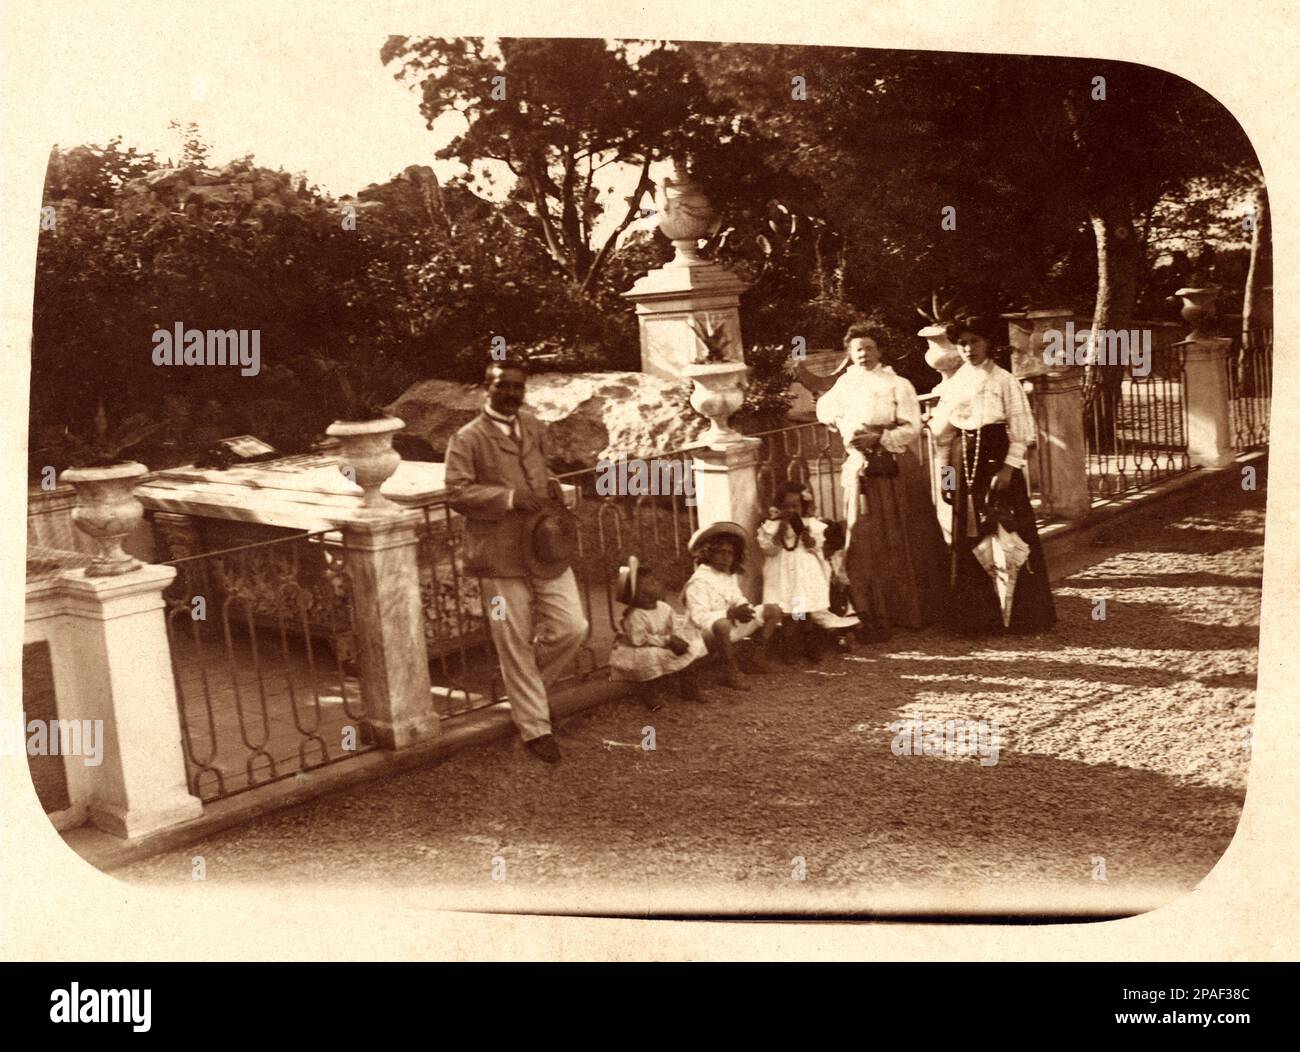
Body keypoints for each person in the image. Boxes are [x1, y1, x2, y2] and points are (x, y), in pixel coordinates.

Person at [443, 359, 589, 763]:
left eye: (517, 387)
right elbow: (455, 493)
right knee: (514, 640)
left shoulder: (535, 427)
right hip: (498, 554)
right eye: (501, 386)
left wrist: (556, 488)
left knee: (572, 627)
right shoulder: (467, 438)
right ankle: (535, 727)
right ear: (485, 389)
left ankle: (528, 696)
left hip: (545, 546)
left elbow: (541, 474)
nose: (510, 393)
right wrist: (506, 499)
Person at [815, 322, 948, 639]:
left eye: (869, 347)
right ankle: (873, 610)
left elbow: (913, 427)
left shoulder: (897, 384)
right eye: (857, 349)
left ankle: (915, 608)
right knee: (865, 536)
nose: (863, 354)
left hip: (894, 466)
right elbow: (824, 409)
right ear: (850, 353)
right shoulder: (845, 384)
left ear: (880, 350)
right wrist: (846, 426)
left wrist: (879, 436)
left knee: (903, 532)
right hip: (862, 466)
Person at [930, 316, 1056, 635]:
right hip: (962, 460)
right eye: (962, 344)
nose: (968, 349)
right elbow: (943, 435)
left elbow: (1022, 431)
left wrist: (1008, 469)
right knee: (969, 534)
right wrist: (947, 480)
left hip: (996, 460)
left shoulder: (1004, 380)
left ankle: (1024, 616)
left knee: (1010, 531)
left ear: (987, 343)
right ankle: (976, 619)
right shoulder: (956, 382)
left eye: (974, 341)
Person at [756, 481, 859, 662]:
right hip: (783, 572)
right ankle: (790, 645)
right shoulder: (771, 526)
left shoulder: (810, 524)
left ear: (802, 506)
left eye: (795, 506)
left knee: (802, 609)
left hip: (803, 572)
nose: (791, 510)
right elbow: (768, 550)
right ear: (778, 507)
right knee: (789, 611)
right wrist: (780, 531)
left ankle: (807, 642)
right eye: (786, 506)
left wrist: (806, 535)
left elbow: (816, 546)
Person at [683, 522, 782, 689]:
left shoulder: (728, 576)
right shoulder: (699, 581)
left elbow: (738, 598)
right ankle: (730, 672)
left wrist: (745, 609)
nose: (726, 557)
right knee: (722, 625)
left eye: (730, 553)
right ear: (708, 553)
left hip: (731, 626)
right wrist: (729, 614)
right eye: (720, 552)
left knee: (773, 609)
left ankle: (756, 657)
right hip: (705, 634)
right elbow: (699, 617)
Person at [609, 557, 709, 709]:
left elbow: (675, 626)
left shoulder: (664, 608)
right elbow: (638, 640)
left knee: (691, 647)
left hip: (661, 644)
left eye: (655, 581)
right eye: (651, 583)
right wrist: (668, 641)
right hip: (636, 651)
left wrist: (678, 639)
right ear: (639, 594)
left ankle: (689, 688)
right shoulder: (636, 615)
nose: (658, 584)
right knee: (649, 656)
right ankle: (651, 694)